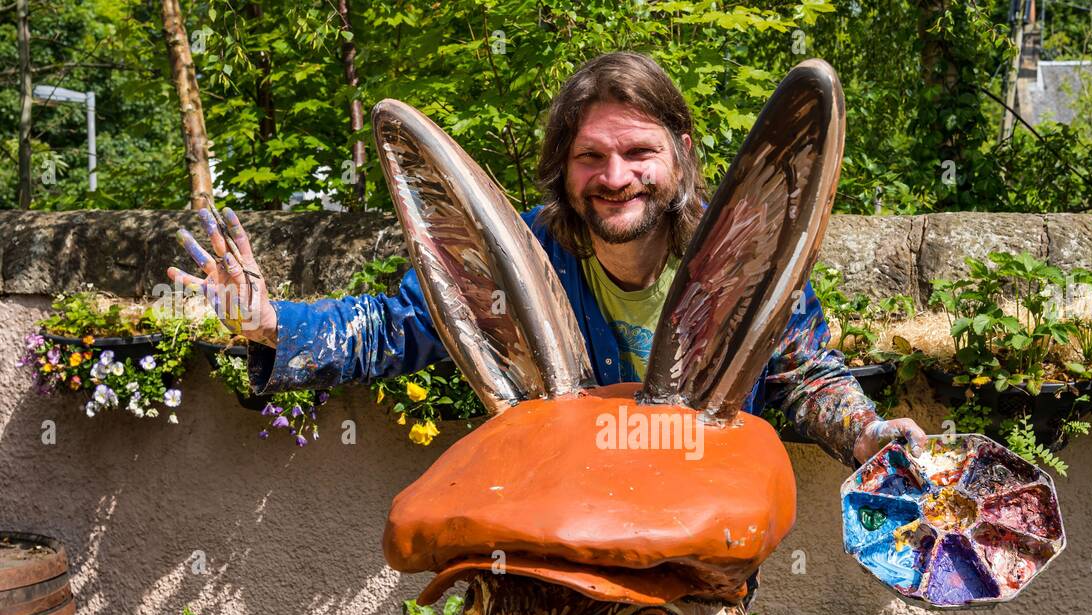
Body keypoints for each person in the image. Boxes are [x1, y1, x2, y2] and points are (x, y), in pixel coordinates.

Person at [166, 50, 925, 467]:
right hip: (566, 539)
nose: (616, 176)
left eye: (639, 152)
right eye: (591, 155)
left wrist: (863, 431)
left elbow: (800, 372)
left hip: (699, 545)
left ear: (683, 157)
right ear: (564, 167)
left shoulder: (741, 261)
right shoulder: (522, 258)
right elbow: (396, 326)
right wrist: (269, 323)